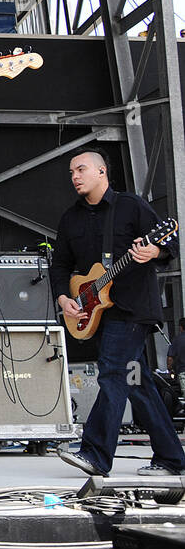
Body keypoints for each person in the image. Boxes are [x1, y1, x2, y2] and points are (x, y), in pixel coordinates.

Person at [52, 150, 184, 477]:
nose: (75, 177)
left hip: (133, 309)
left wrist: (156, 249)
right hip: (99, 312)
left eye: (81, 169)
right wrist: (64, 298)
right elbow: (60, 265)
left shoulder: (131, 206)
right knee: (137, 383)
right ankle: (172, 458)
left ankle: (95, 454)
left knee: (111, 371)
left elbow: (172, 244)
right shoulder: (70, 219)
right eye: (71, 172)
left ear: (101, 171)